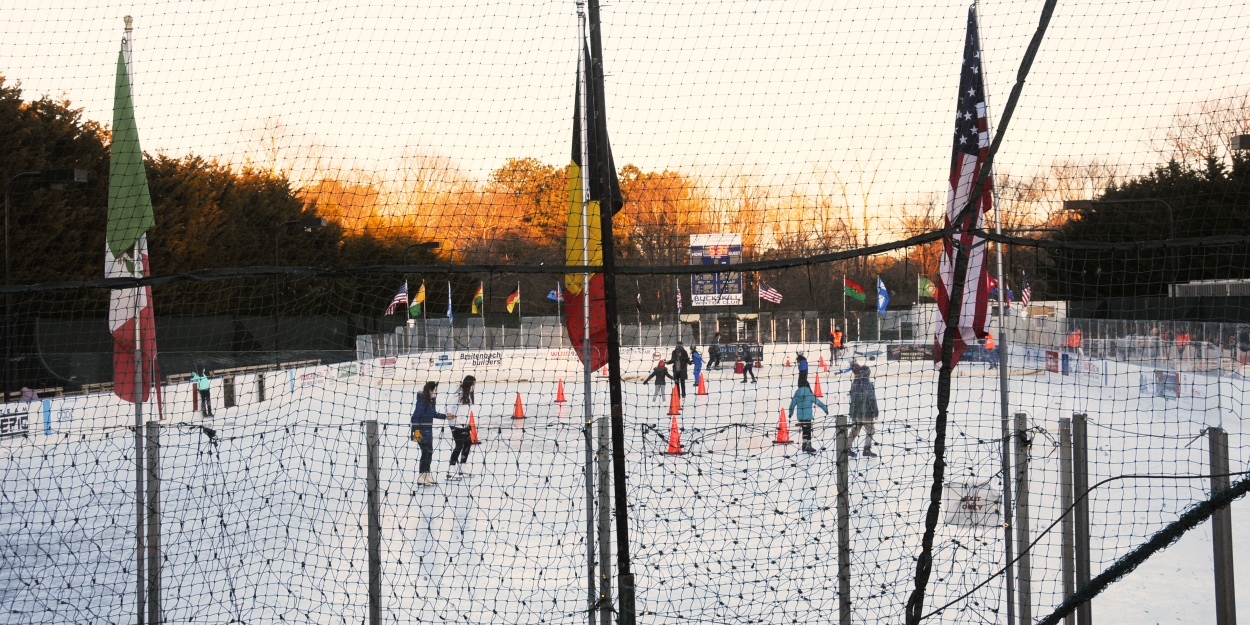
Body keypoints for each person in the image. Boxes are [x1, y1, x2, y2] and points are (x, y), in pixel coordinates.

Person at [411, 381, 454, 485]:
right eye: (434, 390)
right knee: (425, 452)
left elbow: (433, 413)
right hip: (419, 431)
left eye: (436, 390)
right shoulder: (422, 401)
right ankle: (421, 476)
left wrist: (445, 416)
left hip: (428, 431)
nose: (436, 392)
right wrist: (416, 432)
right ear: (429, 390)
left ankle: (427, 474)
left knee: (429, 452)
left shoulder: (431, 401)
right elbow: (415, 417)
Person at [445, 376, 476, 480]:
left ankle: (463, 467)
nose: (474, 387)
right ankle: (451, 471)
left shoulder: (468, 394)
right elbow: (449, 404)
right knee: (459, 445)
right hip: (456, 424)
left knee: (468, 443)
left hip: (463, 424)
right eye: (473, 384)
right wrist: (449, 413)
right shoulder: (459, 393)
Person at [788, 379, 829, 453]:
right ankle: (808, 445)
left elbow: (792, 404)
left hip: (800, 417)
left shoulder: (797, 394)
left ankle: (804, 444)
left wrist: (790, 413)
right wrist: (825, 409)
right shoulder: (810, 394)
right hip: (808, 416)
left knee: (804, 430)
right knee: (808, 430)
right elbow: (818, 402)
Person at [847, 365, 879, 458]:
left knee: (854, 431)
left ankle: (847, 448)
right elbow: (872, 400)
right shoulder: (869, 385)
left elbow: (852, 399)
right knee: (871, 430)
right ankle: (867, 449)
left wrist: (852, 413)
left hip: (856, 413)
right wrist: (876, 412)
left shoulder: (854, 384)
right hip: (866, 413)